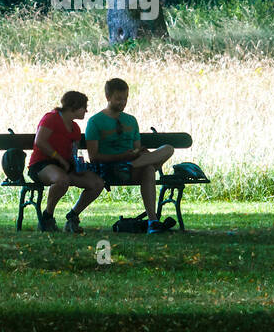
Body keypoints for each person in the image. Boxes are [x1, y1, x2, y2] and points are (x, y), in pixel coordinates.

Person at [83, 78, 175, 234]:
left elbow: (136, 149)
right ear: (108, 97)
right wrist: (121, 157)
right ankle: (153, 220)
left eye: (125, 98)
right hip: (110, 169)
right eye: (118, 99)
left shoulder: (131, 120)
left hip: (132, 166)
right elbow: (94, 157)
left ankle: (152, 222)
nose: (123, 102)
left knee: (167, 149)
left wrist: (139, 153)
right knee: (149, 169)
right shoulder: (95, 121)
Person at [28, 90, 105, 233]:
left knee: (97, 183)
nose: (86, 110)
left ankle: (73, 217)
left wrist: (78, 164)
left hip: (64, 166)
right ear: (73, 106)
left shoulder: (75, 127)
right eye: (84, 107)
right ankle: (47, 217)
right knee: (61, 180)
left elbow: (73, 151)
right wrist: (59, 158)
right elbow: (40, 142)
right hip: (41, 165)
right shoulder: (51, 118)